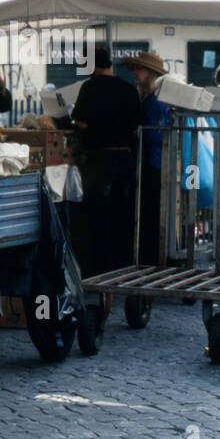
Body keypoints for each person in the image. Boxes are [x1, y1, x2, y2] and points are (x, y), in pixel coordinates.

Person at [71, 45, 141, 274]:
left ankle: (99, 269)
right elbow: (134, 129)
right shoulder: (130, 89)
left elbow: (80, 123)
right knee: (123, 216)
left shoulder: (89, 88)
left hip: (99, 160)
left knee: (98, 218)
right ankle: (123, 266)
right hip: (125, 159)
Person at [120, 51, 170, 266]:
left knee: (150, 215)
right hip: (148, 163)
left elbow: (156, 133)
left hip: (152, 164)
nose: (133, 73)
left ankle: (150, 262)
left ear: (150, 73)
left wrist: (136, 132)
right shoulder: (146, 98)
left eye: (137, 69)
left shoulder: (156, 101)